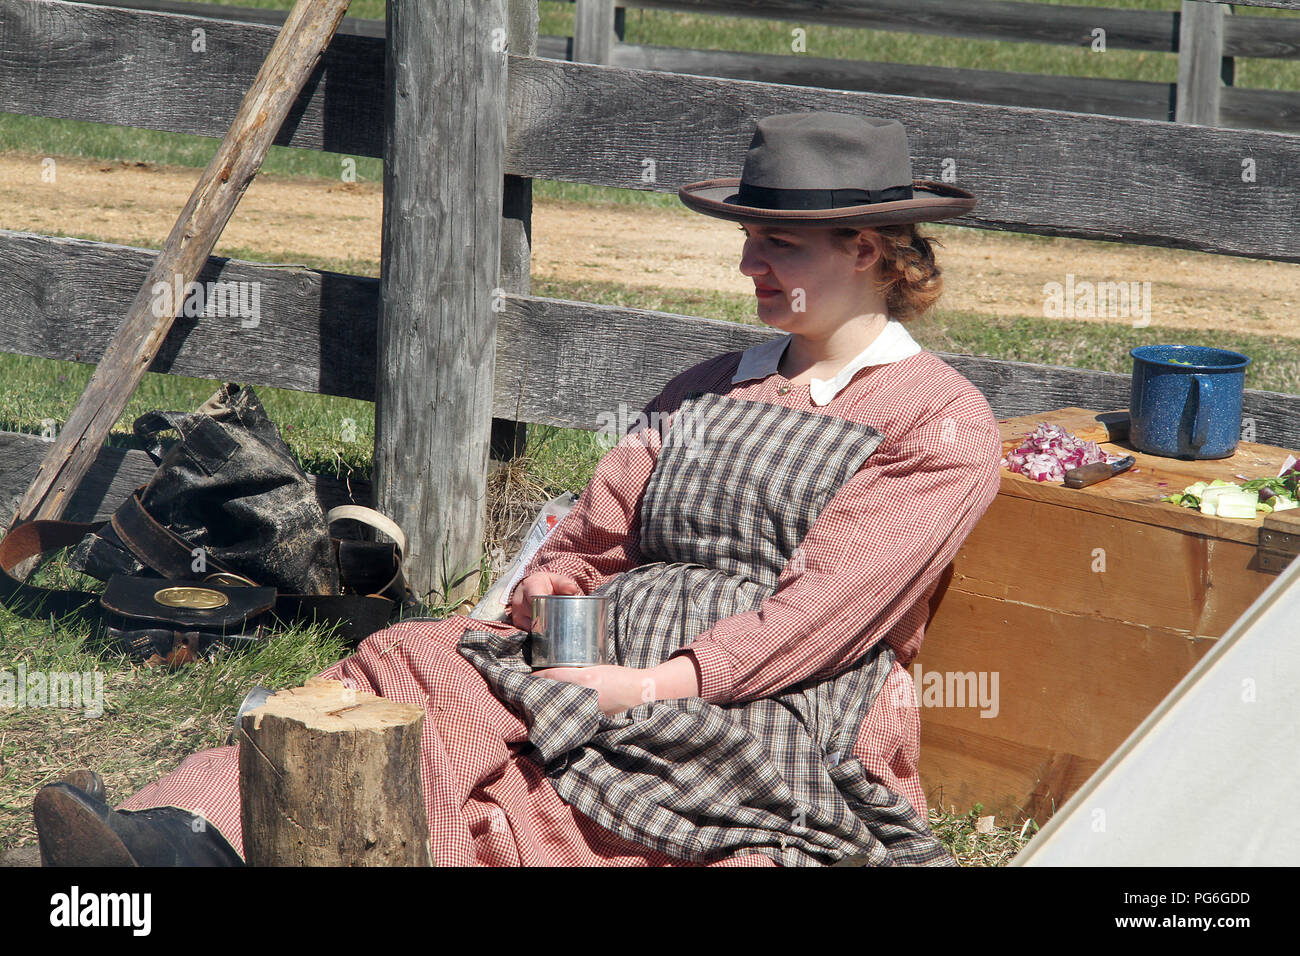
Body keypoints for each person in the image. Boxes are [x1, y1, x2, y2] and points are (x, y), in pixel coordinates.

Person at [33, 111, 1002, 867]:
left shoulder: (934, 420)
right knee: (417, 659)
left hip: (775, 688)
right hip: (613, 637)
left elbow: (822, 613)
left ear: (868, 250)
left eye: (778, 246)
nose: (748, 264)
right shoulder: (709, 382)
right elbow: (593, 539)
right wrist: (538, 630)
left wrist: (654, 683)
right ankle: (177, 834)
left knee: (550, 790)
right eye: (750, 237)